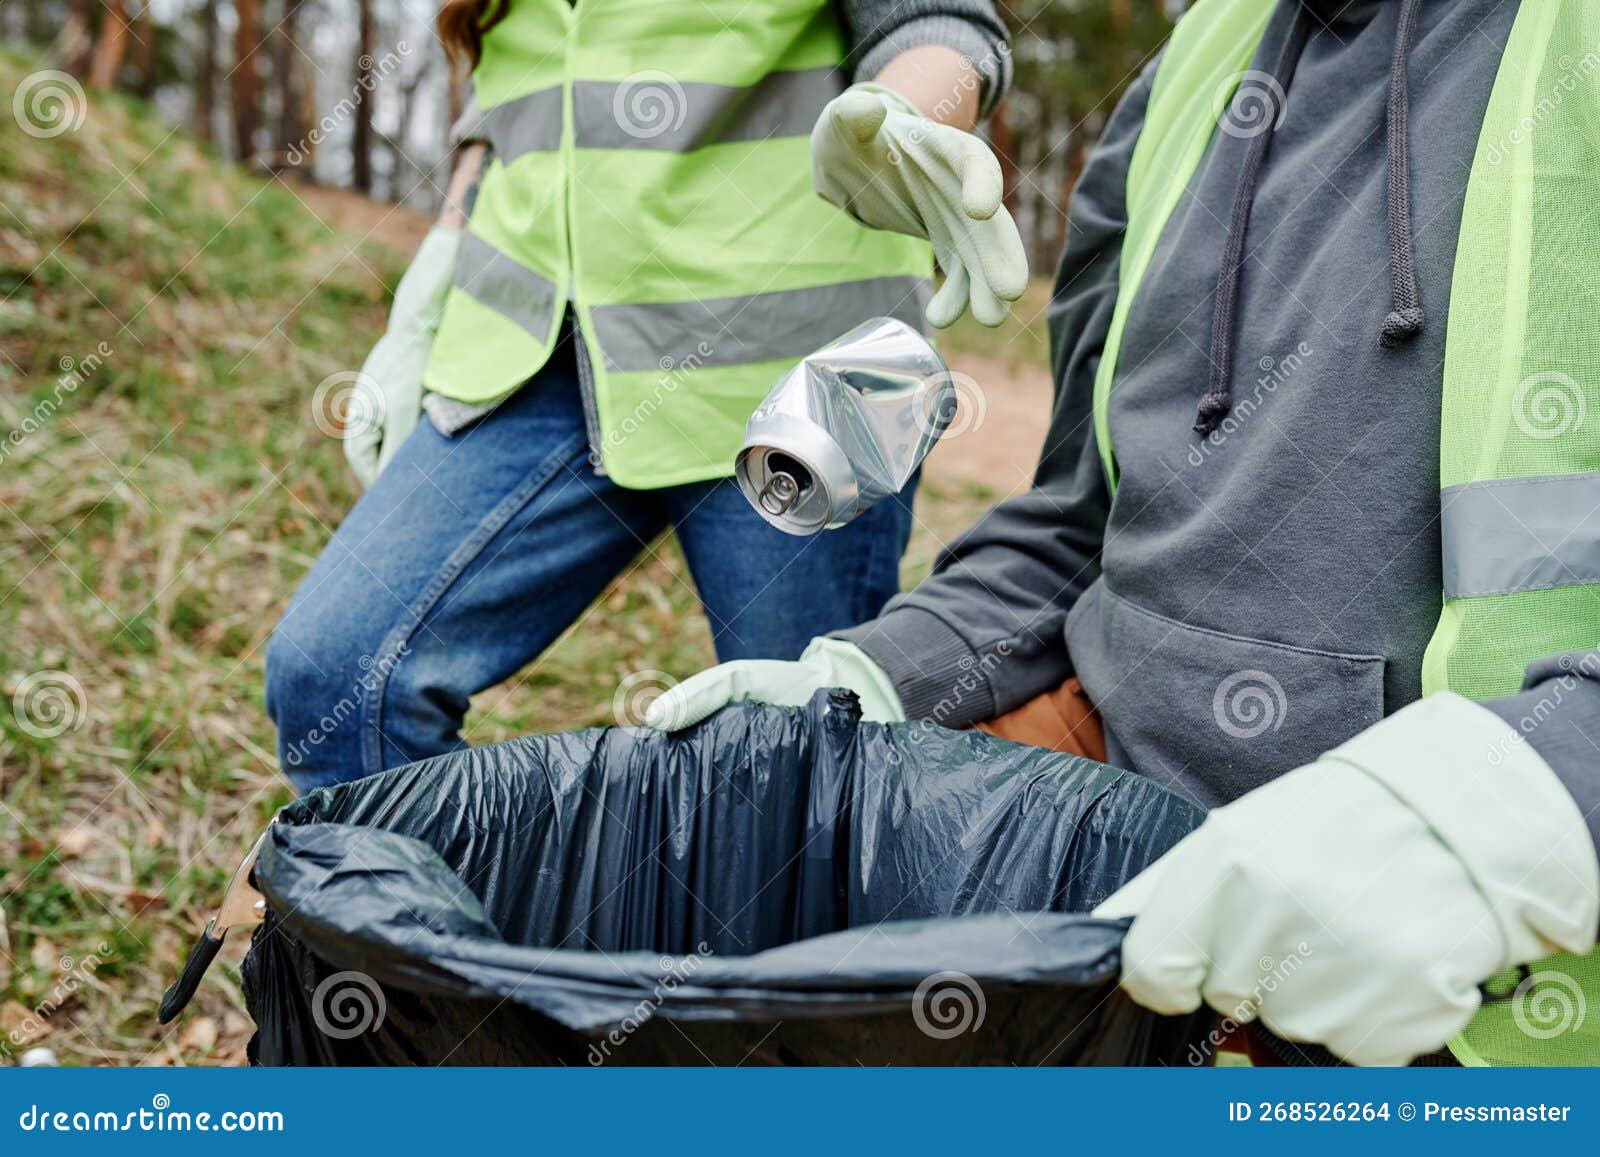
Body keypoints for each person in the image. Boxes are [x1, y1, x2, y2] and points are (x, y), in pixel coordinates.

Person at [645, 0, 1600, 1067]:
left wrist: (1532, 797)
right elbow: (1073, 523)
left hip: (1446, 957)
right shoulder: (1198, 64)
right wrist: (873, 677)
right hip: (1108, 819)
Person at [265, 0, 1028, 792]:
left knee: (809, 775)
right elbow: (525, 83)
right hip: (530, 357)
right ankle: (484, 916)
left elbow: (937, 20)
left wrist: (903, 115)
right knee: (338, 679)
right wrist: (444, 252)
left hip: (797, 375)